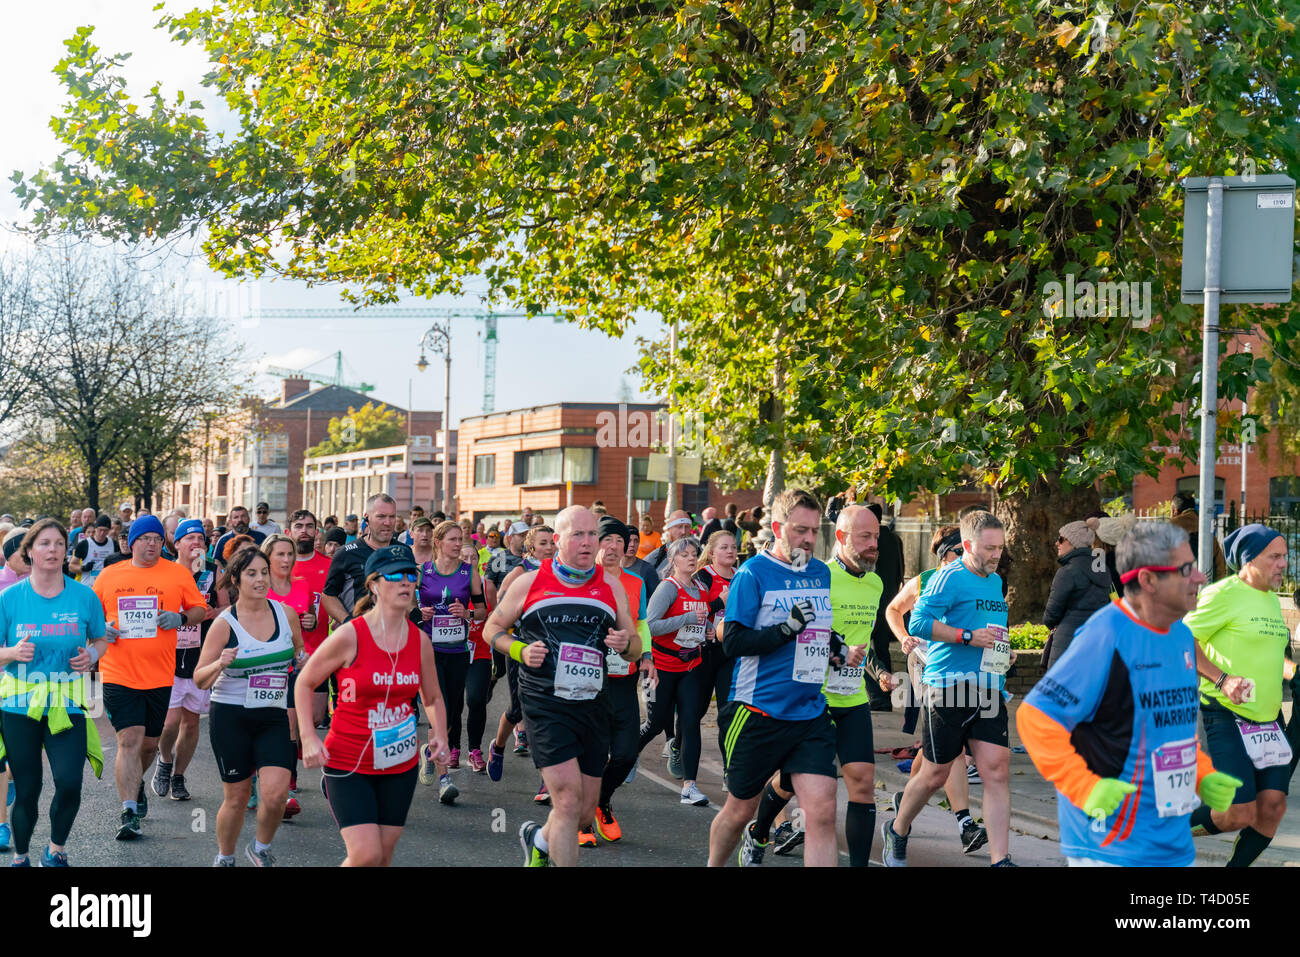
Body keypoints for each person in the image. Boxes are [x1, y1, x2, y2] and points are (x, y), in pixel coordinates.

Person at [1019, 521, 1241, 866]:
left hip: (1171, 840)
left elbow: (1168, 728)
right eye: (1185, 570)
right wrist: (1084, 786)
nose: (1199, 578)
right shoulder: (1107, 634)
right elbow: (1036, 716)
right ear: (1148, 580)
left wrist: (1202, 774)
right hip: (1112, 843)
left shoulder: (1180, 635)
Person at [738, 505, 897, 867]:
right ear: (841, 538)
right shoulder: (818, 576)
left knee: (862, 780)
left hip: (853, 695)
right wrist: (836, 649)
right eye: (865, 537)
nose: (875, 545)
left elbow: (866, 640)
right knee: (791, 781)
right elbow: (803, 631)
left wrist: (876, 670)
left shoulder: (875, 583)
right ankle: (759, 831)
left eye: (876, 537)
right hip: (813, 697)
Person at [488, 506, 637, 867]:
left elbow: (634, 644)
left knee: (584, 814)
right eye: (578, 535)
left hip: (591, 704)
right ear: (558, 540)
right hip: (545, 705)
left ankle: (538, 839)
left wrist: (624, 643)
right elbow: (492, 629)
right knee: (567, 801)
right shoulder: (529, 582)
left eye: (592, 535)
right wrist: (521, 650)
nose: (588, 543)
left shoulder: (610, 584)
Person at [707, 489, 838, 867]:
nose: (810, 540)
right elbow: (732, 641)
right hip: (757, 712)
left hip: (809, 714)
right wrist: (786, 629)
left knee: (823, 812)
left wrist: (839, 650)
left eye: (815, 531)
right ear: (778, 528)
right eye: (801, 530)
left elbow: (818, 630)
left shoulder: (820, 572)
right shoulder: (752, 574)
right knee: (740, 810)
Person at [296, 544, 449, 866]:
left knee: (383, 855)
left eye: (412, 575)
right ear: (374, 584)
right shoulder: (350, 635)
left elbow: (432, 697)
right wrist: (309, 737)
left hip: (400, 761)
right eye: (397, 576)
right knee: (365, 855)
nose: (407, 582)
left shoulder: (418, 640)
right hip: (349, 761)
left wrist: (440, 734)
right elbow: (305, 682)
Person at [882, 508, 1016, 867]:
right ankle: (898, 827)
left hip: (987, 687)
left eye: (1000, 547)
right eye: (990, 548)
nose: (996, 555)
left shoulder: (994, 582)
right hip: (947, 686)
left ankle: (1000, 859)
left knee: (997, 771)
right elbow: (920, 622)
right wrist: (967, 637)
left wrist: (1003, 653)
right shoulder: (947, 578)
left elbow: (990, 630)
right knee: (935, 773)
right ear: (968, 544)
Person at [0, 519, 110, 866]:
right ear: (29, 551)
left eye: (59, 544)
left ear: (66, 551)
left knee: (69, 781)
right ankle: (21, 856)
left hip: (68, 700)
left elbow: (101, 640)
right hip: (20, 705)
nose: (52, 550)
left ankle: (55, 848)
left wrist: (90, 656)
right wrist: (12, 654)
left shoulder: (84, 596)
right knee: (28, 789)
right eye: (44, 544)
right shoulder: (9, 598)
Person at [93, 514, 207, 840]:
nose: (151, 544)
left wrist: (180, 616)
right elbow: (90, 619)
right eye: (145, 539)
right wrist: (102, 630)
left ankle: (137, 784)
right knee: (128, 739)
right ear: (132, 543)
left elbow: (199, 610)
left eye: (157, 539)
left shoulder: (176, 574)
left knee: (150, 744)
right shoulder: (109, 576)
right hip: (118, 672)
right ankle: (129, 811)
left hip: (159, 674)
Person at [1184, 524, 1291, 866]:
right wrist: (1222, 678)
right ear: (1249, 559)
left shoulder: (1273, 601)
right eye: (1274, 557)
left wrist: (1290, 669)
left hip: (1269, 721)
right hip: (1226, 714)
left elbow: (1272, 654)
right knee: (1237, 811)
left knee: (1272, 807)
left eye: (1285, 556)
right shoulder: (1223, 594)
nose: (1283, 564)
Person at [194, 546, 302, 866]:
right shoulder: (225, 624)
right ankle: (225, 857)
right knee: (238, 797)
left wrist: (304, 661)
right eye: (251, 573)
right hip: (231, 716)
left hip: (273, 716)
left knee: (276, 794)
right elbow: (200, 678)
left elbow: (299, 652)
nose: (260, 579)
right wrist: (220, 664)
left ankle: (260, 849)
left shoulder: (286, 615)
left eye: (264, 572)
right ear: (236, 580)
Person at [585, 517, 653, 845]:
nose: (613, 547)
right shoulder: (583, 581)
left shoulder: (636, 582)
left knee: (625, 754)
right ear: (595, 544)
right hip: (590, 680)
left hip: (624, 679)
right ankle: (584, 819)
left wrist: (647, 656)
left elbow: (641, 625)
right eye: (607, 540)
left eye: (619, 541)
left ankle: (600, 798)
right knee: (592, 752)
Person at [415, 520, 486, 804]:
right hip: (428, 651)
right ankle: (445, 778)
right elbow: (407, 605)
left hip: (457, 651)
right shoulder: (423, 572)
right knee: (439, 709)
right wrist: (420, 611)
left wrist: (467, 614)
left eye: (461, 539)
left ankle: (429, 750)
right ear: (438, 542)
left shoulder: (470, 573)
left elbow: (482, 611)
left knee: (452, 709)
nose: (459, 544)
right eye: (453, 539)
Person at [639, 535, 713, 807]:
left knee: (691, 723)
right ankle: (625, 756)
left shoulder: (701, 588)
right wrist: (688, 619)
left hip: (690, 666)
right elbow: (650, 626)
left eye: (694, 553)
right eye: (684, 555)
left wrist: (706, 631)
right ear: (672, 561)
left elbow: (698, 626)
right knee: (655, 724)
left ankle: (689, 786)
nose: (691, 558)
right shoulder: (667, 588)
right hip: (660, 668)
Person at [152, 519, 221, 804]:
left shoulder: (213, 571)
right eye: (190, 538)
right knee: (169, 723)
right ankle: (165, 760)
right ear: (176, 543)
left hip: (199, 655)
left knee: (191, 724)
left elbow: (226, 606)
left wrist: (208, 612)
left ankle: (179, 775)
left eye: (201, 539)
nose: (196, 543)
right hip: (168, 655)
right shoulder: (164, 571)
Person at [486, 525, 556, 785]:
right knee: (517, 711)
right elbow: (500, 612)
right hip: (521, 646)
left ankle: (546, 782)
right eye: (543, 543)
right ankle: (499, 746)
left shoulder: (560, 573)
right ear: (531, 547)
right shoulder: (519, 572)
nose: (549, 547)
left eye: (552, 542)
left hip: (551, 649)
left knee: (547, 712)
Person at [263, 533, 313, 818]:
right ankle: (258, 780)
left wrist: (311, 621)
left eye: (289, 554)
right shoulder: (258, 586)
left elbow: (304, 629)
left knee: (290, 727)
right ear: (267, 557)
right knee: (264, 727)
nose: (285, 559)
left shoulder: (302, 585)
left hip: (291, 666)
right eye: (280, 554)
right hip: (260, 667)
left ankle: (288, 790)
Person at [1042, 517, 1114, 667]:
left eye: (1061, 539)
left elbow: (1051, 615)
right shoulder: (1103, 570)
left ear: (1073, 543)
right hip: (1096, 643)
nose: (1057, 543)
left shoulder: (1067, 572)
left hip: (1067, 645)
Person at [288, 510, 332, 744]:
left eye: (309, 526)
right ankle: (289, 775)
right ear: (289, 531)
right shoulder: (281, 565)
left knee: (314, 718)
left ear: (316, 532)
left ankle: (296, 750)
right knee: (291, 721)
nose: (304, 530)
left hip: (320, 652)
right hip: (287, 655)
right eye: (299, 526)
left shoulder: (329, 566)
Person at [322, 494, 397, 627]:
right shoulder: (346, 553)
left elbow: (410, 593)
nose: (388, 522)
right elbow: (328, 596)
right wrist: (348, 622)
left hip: (394, 635)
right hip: (360, 636)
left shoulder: (403, 551)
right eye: (381, 517)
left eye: (392, 516)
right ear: (367, 518)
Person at [460, 541, 494, 776]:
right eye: (465, 558)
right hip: (452, 650)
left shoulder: (485, 585)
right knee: (451, 704)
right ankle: (452, 748)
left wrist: (469, 614)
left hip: (480, 651)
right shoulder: (448, 584)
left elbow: (494, 615)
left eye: (474, 558)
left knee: (475, 700)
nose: (470, 562)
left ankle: (474, 750)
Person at [866, 503, 905, 711]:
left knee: (863, 649)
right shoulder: (894, 539)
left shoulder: (871, 540)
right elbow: (901, 569)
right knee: (882, 650)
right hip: (889, 602)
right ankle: (886, 695)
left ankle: (876, 697)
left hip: (870, 602)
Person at [1170, 491, 1227, 582]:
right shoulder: (1207, 531)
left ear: (1175, 511)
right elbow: (1220, 567)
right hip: (1204, 588)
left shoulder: (1168, 529)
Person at [70, 515, 119, 588]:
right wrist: (83, 568)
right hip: (88, 588)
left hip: (107, 587)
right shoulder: (84, 544)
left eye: (105, 530)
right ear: (95, 528)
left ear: (109, 530)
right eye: (100, 530)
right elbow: (71, 567)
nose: (102, 533)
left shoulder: (114, 544)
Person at [622, 527, 660, 596]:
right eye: (629, 540)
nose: (632, 544)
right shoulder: (611, 567)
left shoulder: (647, 569)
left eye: (636, 541)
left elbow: (656, 599)